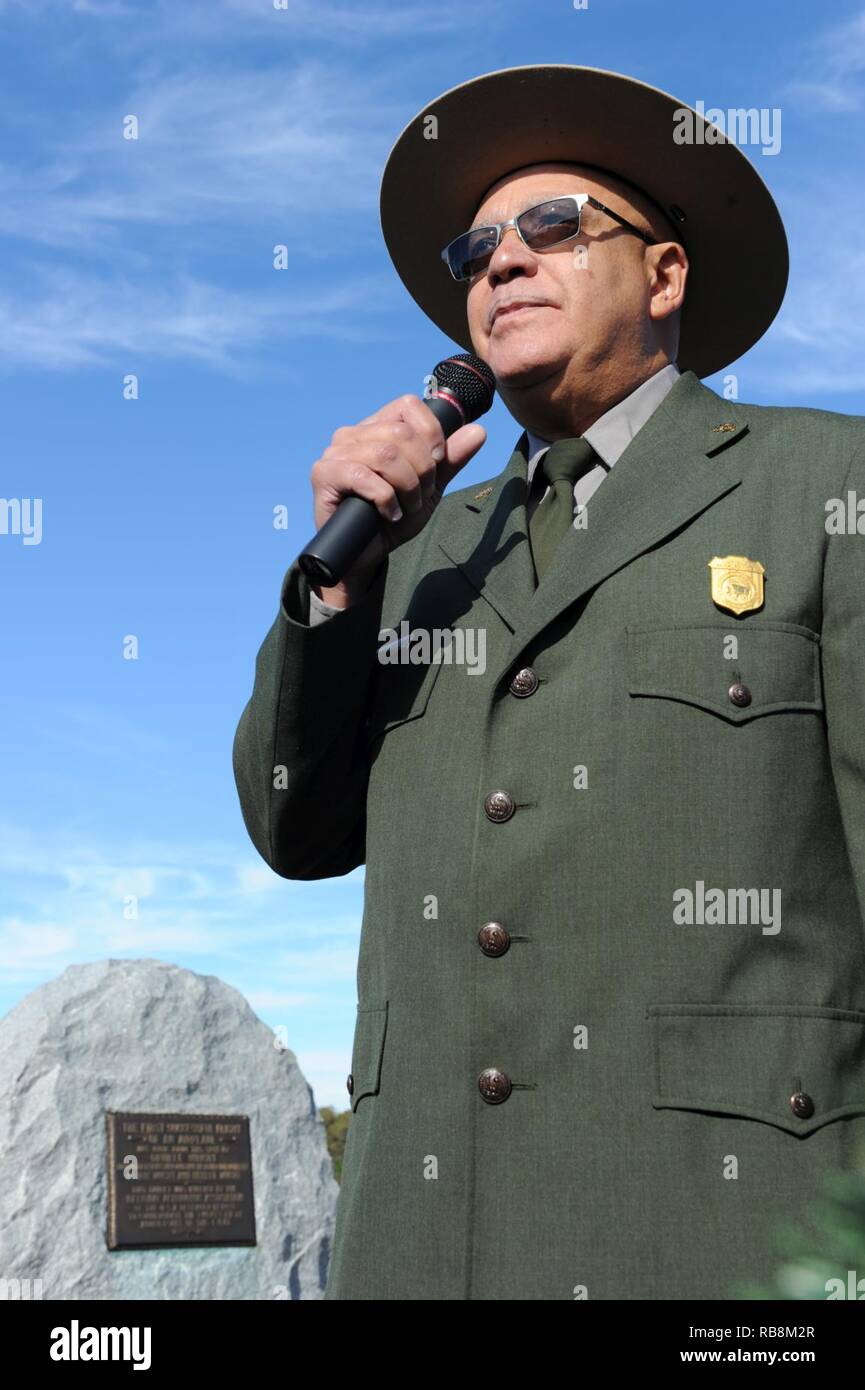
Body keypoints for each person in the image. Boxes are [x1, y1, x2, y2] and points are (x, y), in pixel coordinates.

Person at [232, 65, 865, 1300]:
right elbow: (291, 826)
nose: (500, 263)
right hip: (421, 1248)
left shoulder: (820, 488)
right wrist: (336, 590)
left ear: (665, 275)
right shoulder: (412, 548)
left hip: (728, 1253)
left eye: (553, 226)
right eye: (476, 247)